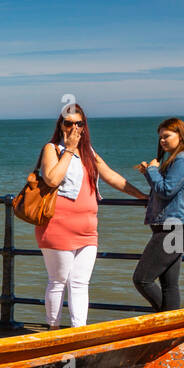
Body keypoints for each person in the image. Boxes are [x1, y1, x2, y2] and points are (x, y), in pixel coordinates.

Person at [34, 103, 146, 329]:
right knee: (58, 281)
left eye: (79, 123)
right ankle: (53, 331)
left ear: (84, 127)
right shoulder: (52, 149)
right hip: (57, 227)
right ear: (61, 125)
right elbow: (52, 179)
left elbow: (111, 177)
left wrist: (143, 196)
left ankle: (78, 332)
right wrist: (70, 149)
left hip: (87, 230)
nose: (74, 127)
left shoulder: (89, 152)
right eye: (68, 123)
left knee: (80, 283)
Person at [134, 118, 184, 312]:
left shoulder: (182, 159)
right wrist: (150, 173)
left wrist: (152, 170)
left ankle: (166, 319)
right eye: (160, 137)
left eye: (166, 136)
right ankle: (172, 331)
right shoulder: (180, 159)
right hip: (177, 227)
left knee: (142, 279)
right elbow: (166, 189)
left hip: (173, 228)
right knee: (169, 285)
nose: (162, 141)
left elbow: (166, 190)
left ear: (180, 136)